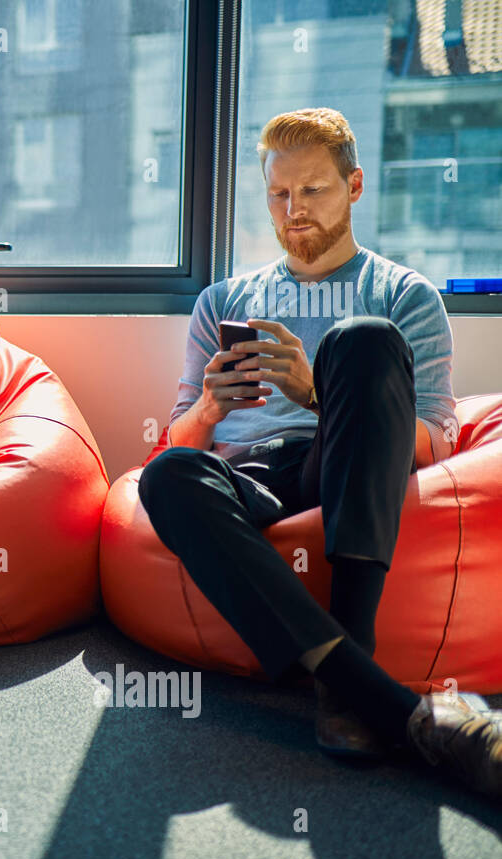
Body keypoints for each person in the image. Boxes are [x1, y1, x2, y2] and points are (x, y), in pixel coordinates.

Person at [137, 108, 502, 798]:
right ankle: (370, 696)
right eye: (278, 193)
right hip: (251, 473)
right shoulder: (222, 300)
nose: (293, 210)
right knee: (167, 476)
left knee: (361, 339)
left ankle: (351, 653)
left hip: (343, 462)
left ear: (354, 186)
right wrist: (210, 407)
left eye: (312, 190)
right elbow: (177, 441)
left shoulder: (405, 295)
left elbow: (432, 445)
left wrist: (315, 396)